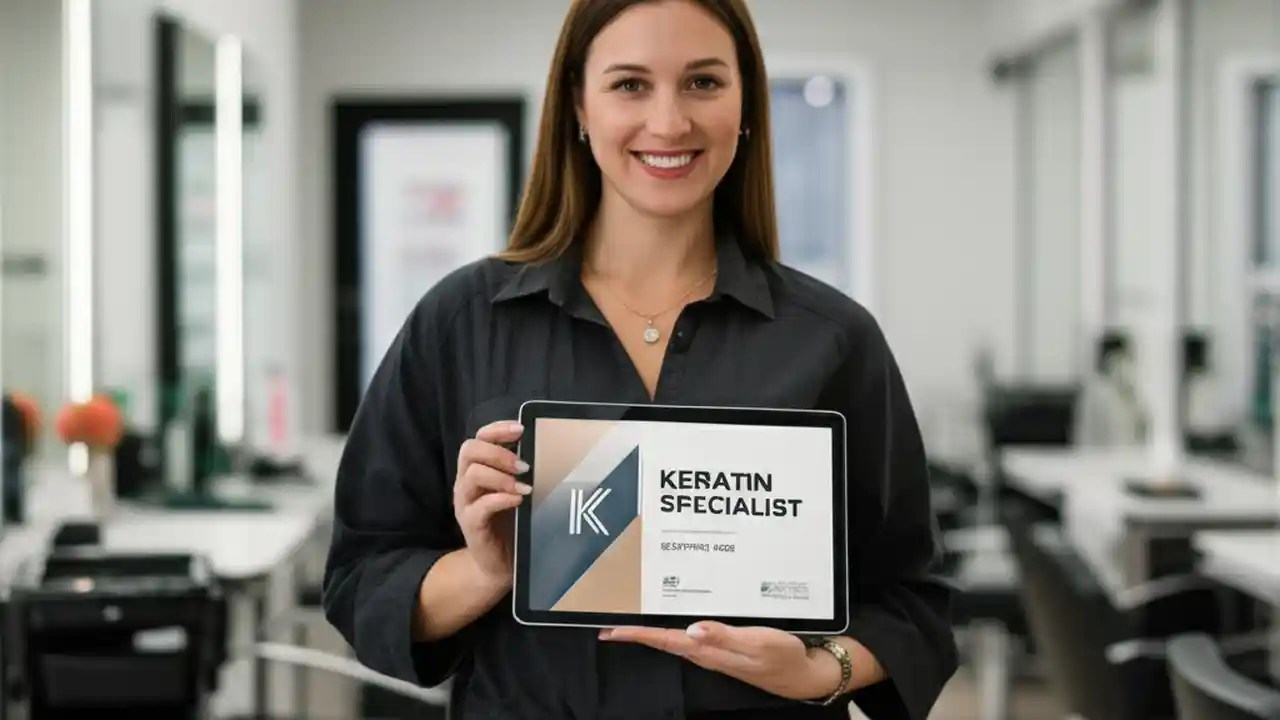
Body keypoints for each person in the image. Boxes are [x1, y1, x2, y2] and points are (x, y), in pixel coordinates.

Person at [322, 0, 957, 717]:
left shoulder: (834, 339)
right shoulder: (461, 322)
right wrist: (487, 569)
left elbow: (913, 604)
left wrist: (821, 671)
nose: (669, 122)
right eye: (630, 84)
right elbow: (362, 580)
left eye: (703, 83)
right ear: (579, 107)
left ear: (744, 105)